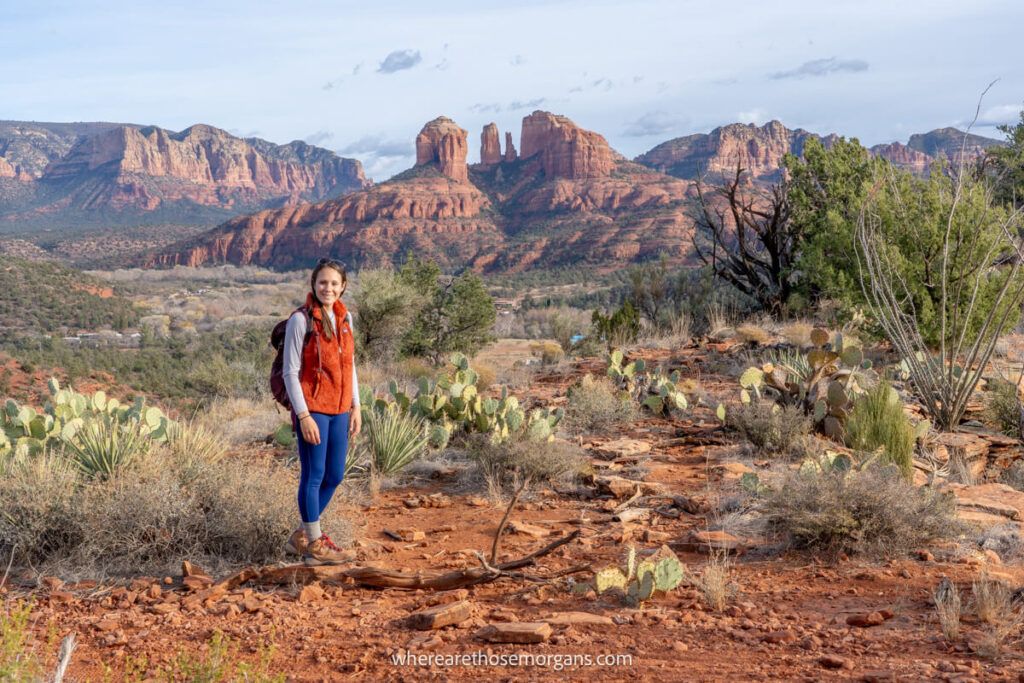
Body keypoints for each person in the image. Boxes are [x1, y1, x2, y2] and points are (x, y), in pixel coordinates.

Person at [281, 258, 362, 565]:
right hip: (313, 409)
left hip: (341, 408)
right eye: (323, 282)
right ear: (314, 285)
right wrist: (302, 416)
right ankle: (315, 543)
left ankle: (301, 536)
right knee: (313, 475)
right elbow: (291, 372)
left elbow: (350, 365)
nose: (328, 288)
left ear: (343, 287)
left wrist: (357, 405)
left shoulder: (345, 318)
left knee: (335, 475)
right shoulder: (301, 320)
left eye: (334, 283)